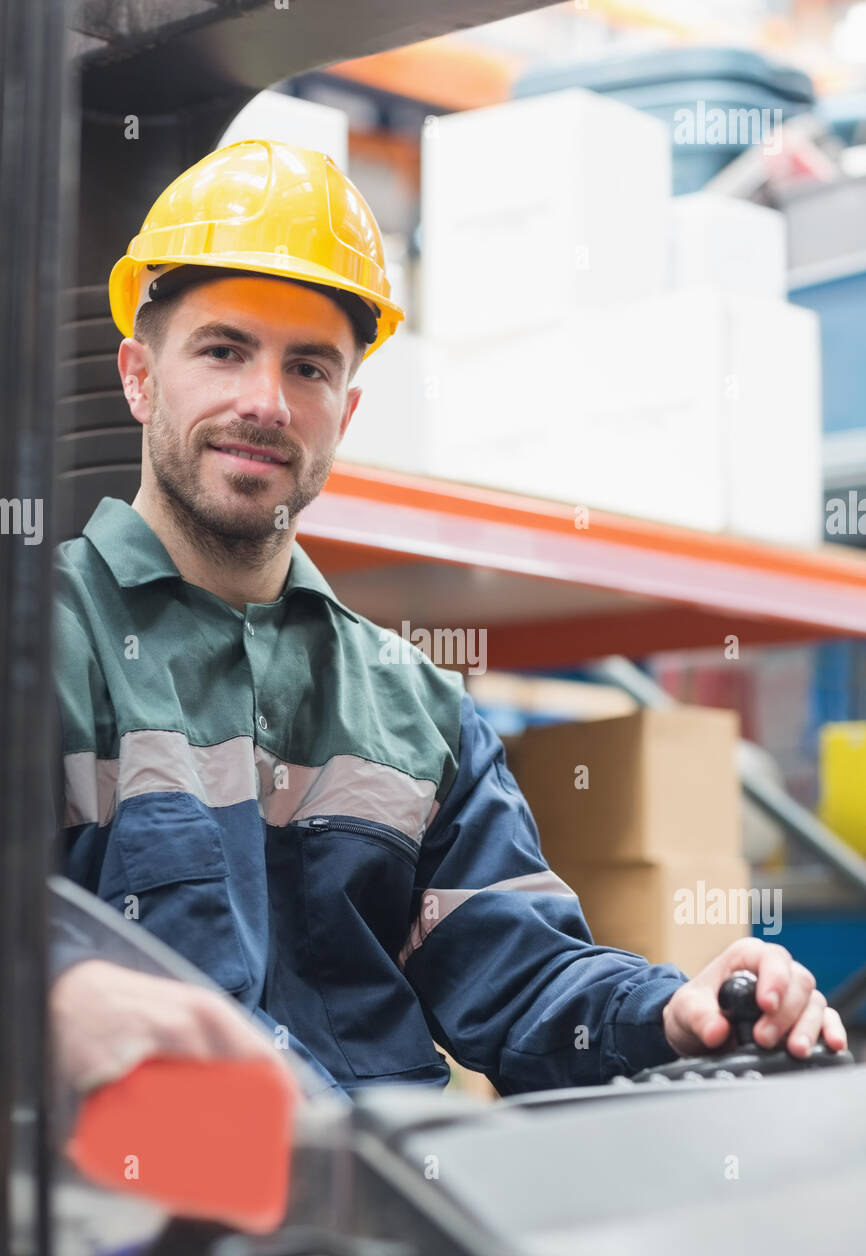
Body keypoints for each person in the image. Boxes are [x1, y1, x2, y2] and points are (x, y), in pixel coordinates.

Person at [52, 140, 847, 1101]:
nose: (264, 401)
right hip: (138, 1228)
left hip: (384, 1221)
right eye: (224, 350)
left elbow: (518, 982)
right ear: (139, 377)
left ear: (344, 412)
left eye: (307, 368)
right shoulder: (42, 648)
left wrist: (673, 1009)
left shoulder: (415, 708)